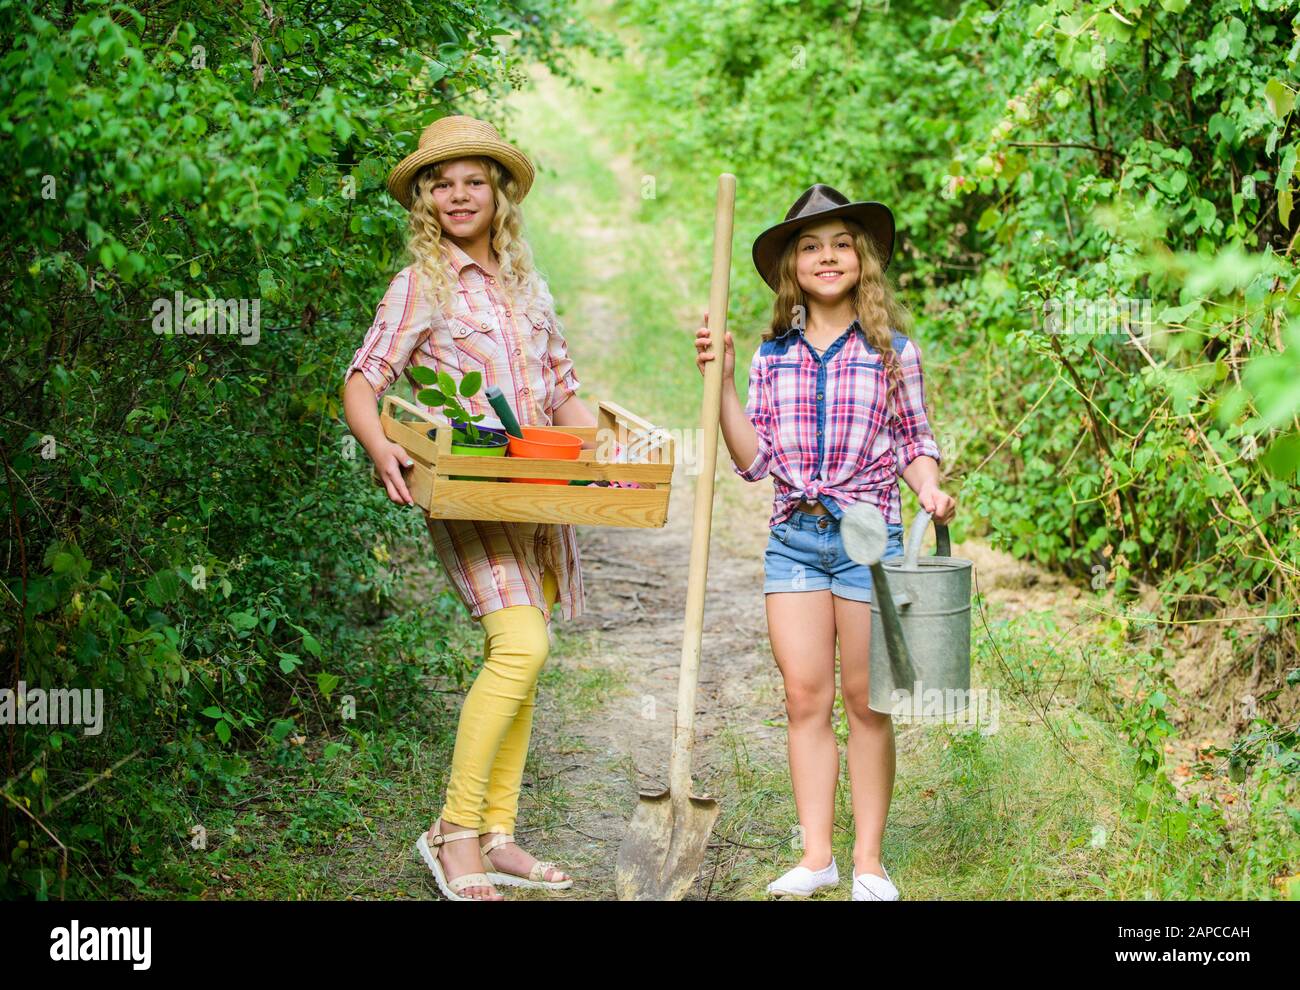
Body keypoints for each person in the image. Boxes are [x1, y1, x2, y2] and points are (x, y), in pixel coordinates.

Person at [343, 115, 596, 901]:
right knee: (520, 646)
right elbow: (363, 378)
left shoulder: (529, 283)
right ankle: (453, 832)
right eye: (442, 183)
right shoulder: (423, 282)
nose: (458, 194)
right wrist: (381, 445)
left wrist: (603, 453)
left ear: (499, 195)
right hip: (466, 490)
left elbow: (563, 390)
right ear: (426, 199)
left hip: (534, 495)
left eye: (473, 181)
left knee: (522, 659)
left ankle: (499, 834)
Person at [694, 184, 957, 901]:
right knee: (805, 698)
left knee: (867, 700)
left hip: (869, 538)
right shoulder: (770, 355)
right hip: (793, 539)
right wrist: (719, 389)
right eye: (810, 246)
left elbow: (915, 440)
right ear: (791, 268)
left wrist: (928, 487)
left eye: (840, 242)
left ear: (862, 259)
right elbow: (754, 462)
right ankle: (818, 857)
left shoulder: (894, 350)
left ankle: (868, 861)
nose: (827, 255)